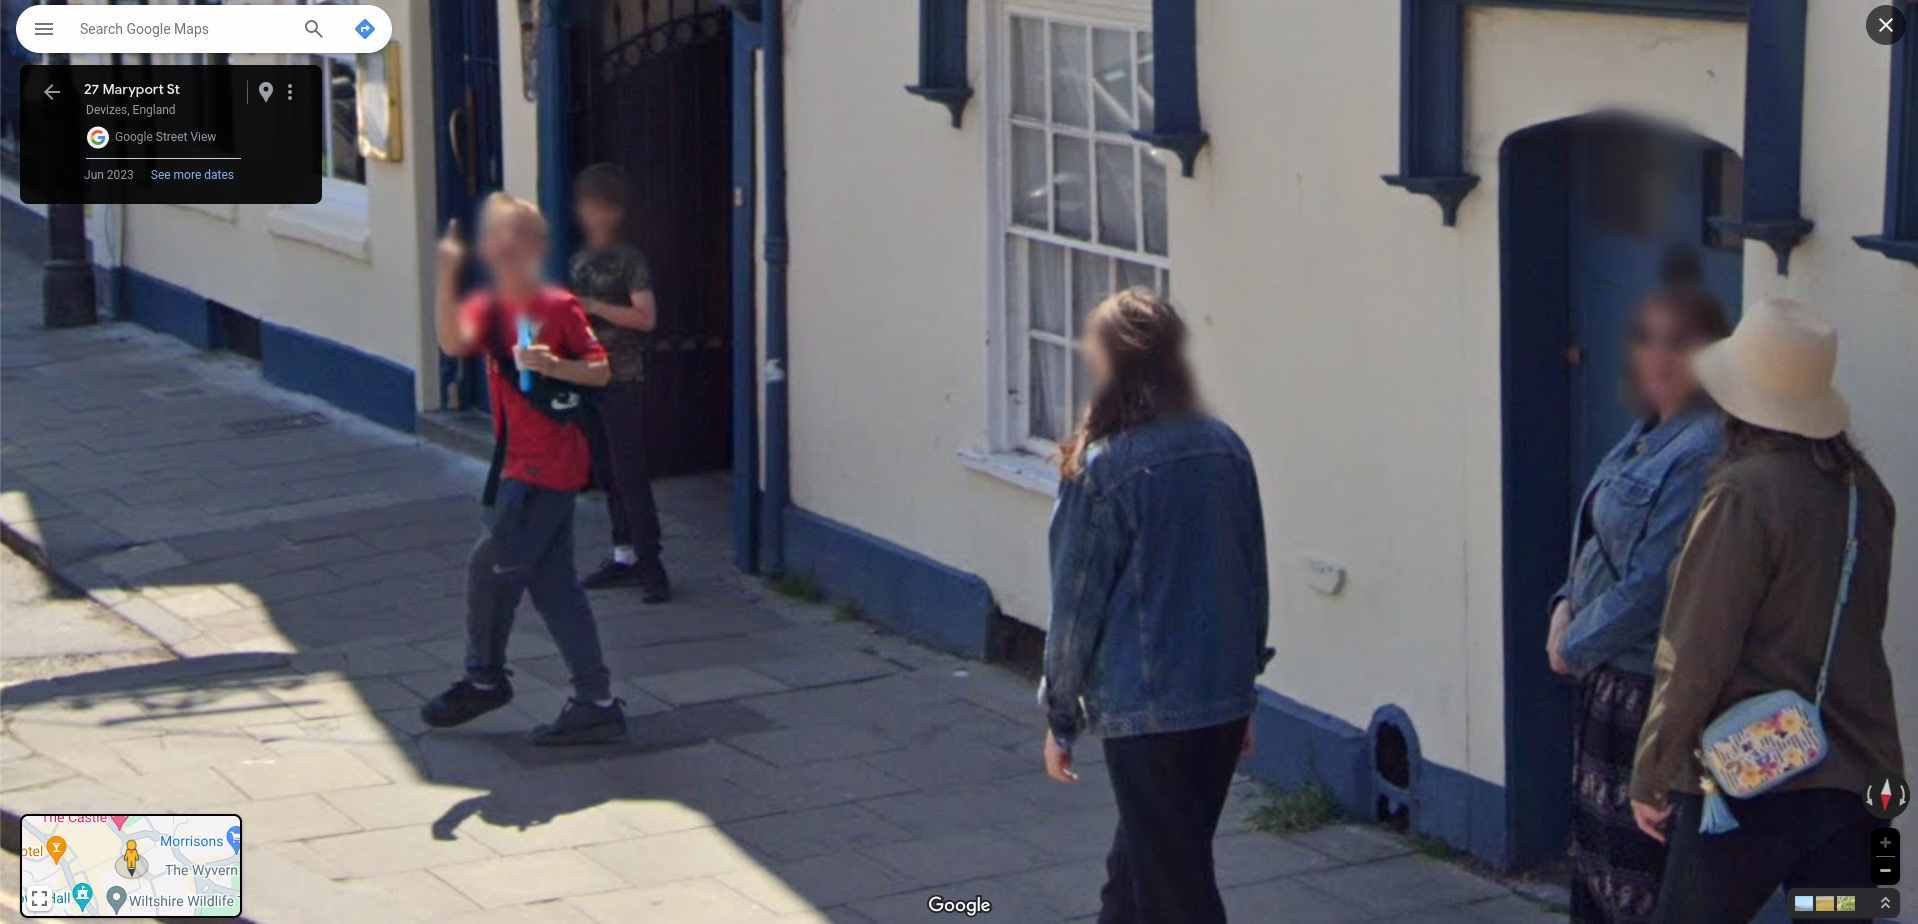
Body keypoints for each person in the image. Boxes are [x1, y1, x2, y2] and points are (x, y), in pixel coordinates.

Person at [1630, 297, 1902, 923]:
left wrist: (1653, 770)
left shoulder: (1742, 494)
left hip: (1750, 782)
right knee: (1850, 913)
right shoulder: (1868, 495)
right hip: (1867, 783)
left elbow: (1696, 648)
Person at [1038, 287, 1271, 924]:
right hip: (1219, 701)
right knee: (1140, 873)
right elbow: (1252, 581)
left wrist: (1060, 718)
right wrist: (1243, 689)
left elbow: (1075, 609)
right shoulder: (1226, 448)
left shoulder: (1105, 470)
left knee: (1175, 885)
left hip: (1148, 713)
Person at [1545, 262, 1730, 923]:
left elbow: (1657, 582)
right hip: (1607, 682)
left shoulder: (1704, 446)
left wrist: (1575, 643)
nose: (1657, 357)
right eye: (1647, 339)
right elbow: (1598, 537)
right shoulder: (1646, 433)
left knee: (1635, 882)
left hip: (1644, 690)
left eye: (1677, 342)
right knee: (1595, 873)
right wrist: (1561, 607)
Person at [419, 193, 627, 745]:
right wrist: (444, 275)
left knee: (488, 569)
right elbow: (450, 340)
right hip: (517, 466)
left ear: (537, 246)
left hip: (549, 468)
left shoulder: (557, 306)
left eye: (517, 236)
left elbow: (600, 372)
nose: (504, 246)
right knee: (555, 587)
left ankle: (484, 678)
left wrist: (554, 364)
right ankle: (597, 701)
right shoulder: (488, 308)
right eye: (496, 236)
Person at [568, 164, 670, 602]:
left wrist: (594, 305)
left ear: (615, 212)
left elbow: (646, 318)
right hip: (589, 375)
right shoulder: (577, 261)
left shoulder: (630, 261)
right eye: (586, 207)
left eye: (600, 207)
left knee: (630, 474)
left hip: (623, 375)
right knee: (606, 472)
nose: (592, 216)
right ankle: (623, 554)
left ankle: (653, 565)